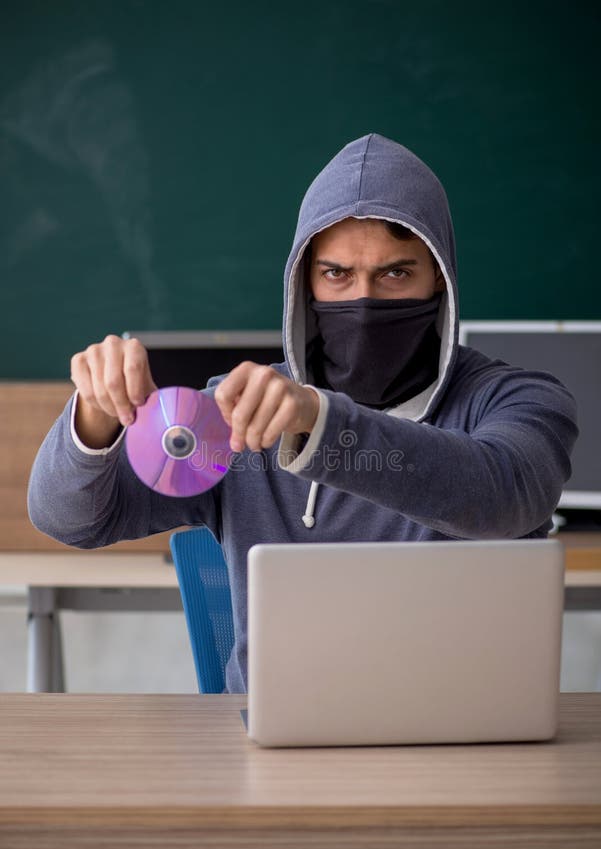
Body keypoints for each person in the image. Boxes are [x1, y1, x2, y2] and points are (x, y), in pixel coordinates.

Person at [28, 133, 578, 693]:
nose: (364, 301)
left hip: (469, 730)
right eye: (337, 274)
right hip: (276, 733)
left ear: (440, 277)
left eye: (395, 274)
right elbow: (72, 520)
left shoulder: (517, 399)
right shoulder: (234, 415)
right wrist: (95, 416)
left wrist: (318, 422)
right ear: (304, 281)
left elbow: (504, 493)